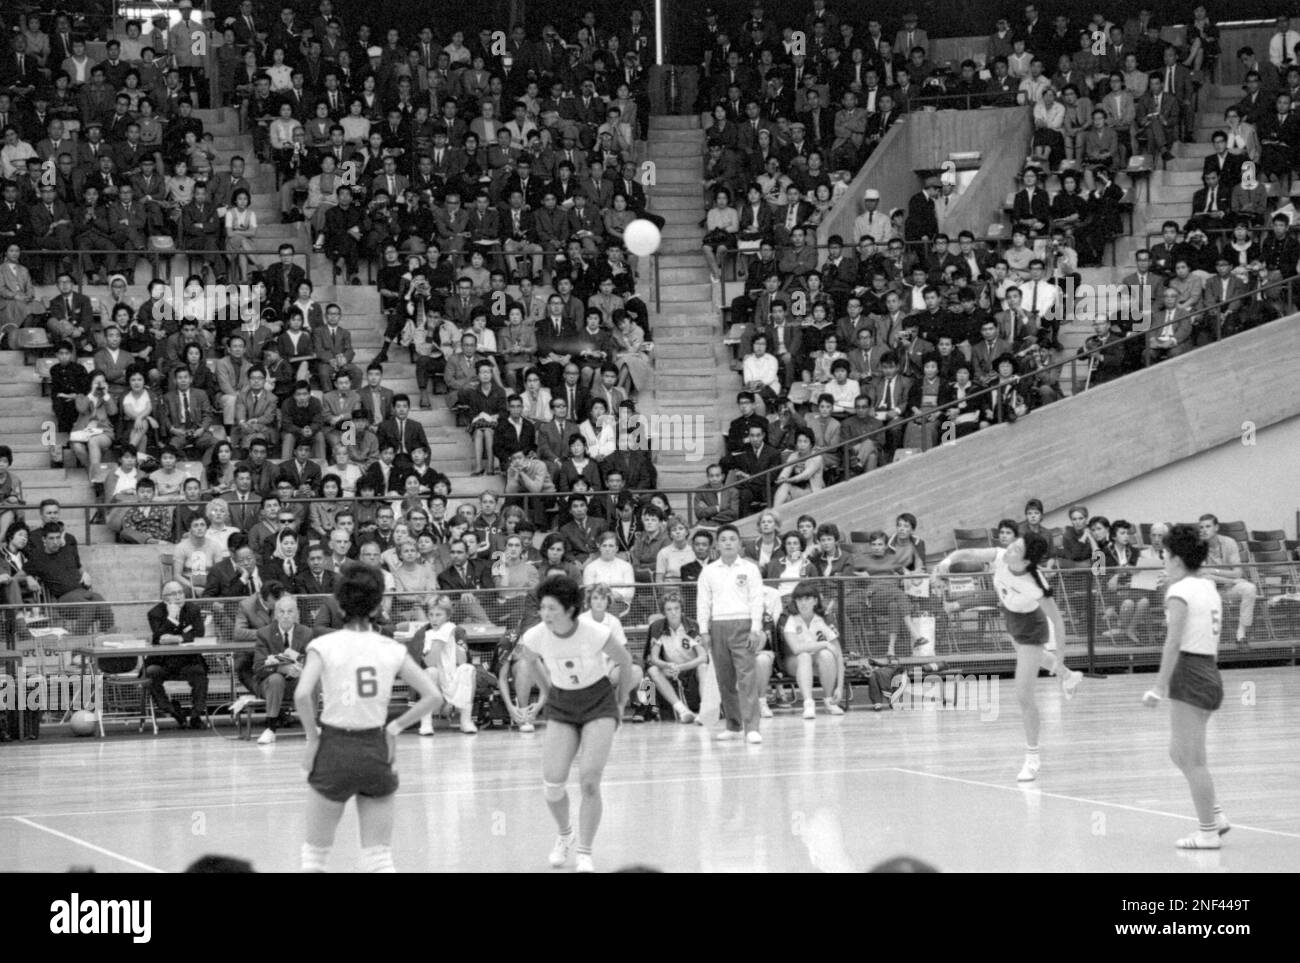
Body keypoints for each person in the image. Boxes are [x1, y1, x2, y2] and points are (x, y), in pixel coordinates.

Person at [295, 564, 439, 873]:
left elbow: (302, 694)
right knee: (379, 860)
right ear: (377, 605)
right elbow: (434, 696)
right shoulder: (391, 648)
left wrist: (312, 739)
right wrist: (395, 728)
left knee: (314, 858)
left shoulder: (323, 645)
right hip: (375, 747)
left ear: (339, 603)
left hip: (333, 747)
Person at [932, 531, 1083, 782]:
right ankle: (1069, 676)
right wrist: (946, 563)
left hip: (1031, 627)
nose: (1009, 548)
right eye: (1013, 544)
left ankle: (1032, 759)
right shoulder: (1002, 557)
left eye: (1016, 549)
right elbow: (968, 553)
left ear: (1026, 561)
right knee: (1037, 660)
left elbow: (1058, 622)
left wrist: (1063, 657)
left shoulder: (1036, 584)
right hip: (1011, 616)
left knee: (1023, 694)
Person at [512, 574, 633, 873]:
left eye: (552, 608)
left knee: (589, 780)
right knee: (552, 785)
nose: (545, 614)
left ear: (570, 609)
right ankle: (565, 834)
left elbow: (626, 661)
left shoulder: (594, 632)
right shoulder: (535, 635)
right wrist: (548, 692)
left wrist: (620, 703)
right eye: (542, 608)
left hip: (598, 703)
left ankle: (585, 852)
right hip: (562, 704)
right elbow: (529, 660)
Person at [1142, 524, 1231, 849]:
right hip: (1208, 672)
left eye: (1165, 555)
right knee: (1178, 752)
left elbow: (1173, 642)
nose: (1163, 561)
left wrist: (1158, 686)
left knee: (1193, 761)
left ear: (1177, 559)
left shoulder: (1179, 592)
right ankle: (1216, 815)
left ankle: (1208, 831)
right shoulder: (1207, 586)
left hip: (1190, 674)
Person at [697, 525, 766, 744]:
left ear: (739, 544)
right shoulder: (708, 571)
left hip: (743, 624)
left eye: (732, 539)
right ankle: (733, 725)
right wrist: (703, 630)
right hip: (718, 626)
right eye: (724, 539)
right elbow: (703, 603)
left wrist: (755, 628)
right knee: (724, 679)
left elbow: (757, 599)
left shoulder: (750, 569)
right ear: (717, 545)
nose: (728, 543)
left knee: (746, 677)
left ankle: (752, 727)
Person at [144, 581, 209, 729]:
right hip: (163, 663)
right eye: (174, 594)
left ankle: (196, 715)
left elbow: (199, 633)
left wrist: (178, 638)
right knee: (150, 673)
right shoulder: (155, 613)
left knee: (200, 673)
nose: (179, 596)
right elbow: (158, 638)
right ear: (164, 598)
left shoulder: (193, 609)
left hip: (188, 661)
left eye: (181, 592)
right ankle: (173, 711)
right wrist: (171, 619)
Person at [411, 596, 479, 736]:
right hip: (433, 687)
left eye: (438, 615)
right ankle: (426, 723)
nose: (434, 619)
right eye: (431, 615)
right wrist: (440, 641)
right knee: (431, 671)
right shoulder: (423, 633)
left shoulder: (457, 631)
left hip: (452, 679)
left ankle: (465, 721)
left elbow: (463, 660)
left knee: (468, 669)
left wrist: (451, 639)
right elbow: (429, 662)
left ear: (448, 616)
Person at [251, 593, 312, 744]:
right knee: (276, 680)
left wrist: (300, 665)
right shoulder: (264, 633)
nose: (285, 616)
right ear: (275, 614)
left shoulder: (306, 633)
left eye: (290, 611)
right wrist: (281, 668)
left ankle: (310, 728)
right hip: (269, 685)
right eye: (281, 612)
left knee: (309, 680)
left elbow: (313, 663)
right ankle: (270, 729)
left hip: (296, 682)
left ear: (296, 614)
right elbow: (258, 668)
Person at [782, 581, 846, 720]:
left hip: (817, 663)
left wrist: (839, 687)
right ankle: (808, 703)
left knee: (827, 655)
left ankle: (829, 700)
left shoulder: (825, 619)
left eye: (807, 599)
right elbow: (796, 648)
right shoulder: (791, 619)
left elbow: (838, 654)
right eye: (799, 599)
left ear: (815, 600)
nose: (803, 603)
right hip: (794, 663)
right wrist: (823, 643)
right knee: (804, 655)